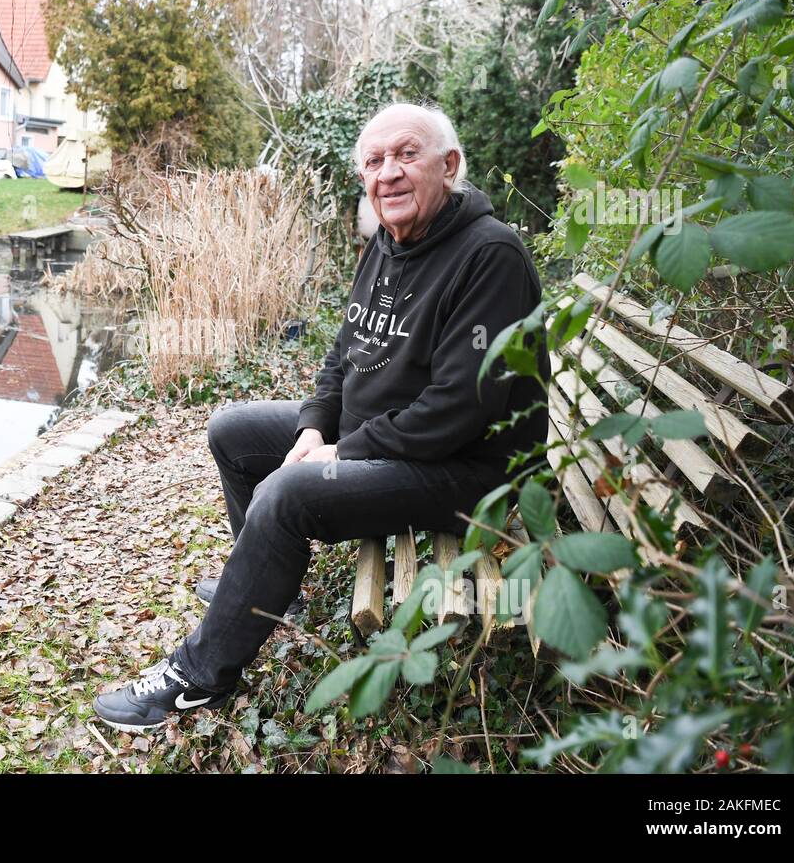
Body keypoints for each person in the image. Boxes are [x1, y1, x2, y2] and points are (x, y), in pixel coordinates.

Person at [92, 102, 548, 731]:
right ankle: (266, 591)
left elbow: (461, 409)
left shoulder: (490, 255)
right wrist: (313, 426)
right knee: (233, 431)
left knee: (288, 491)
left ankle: (200, 675)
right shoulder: (387, 244)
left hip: (466, 470)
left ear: (451, 165)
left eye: (406, 154)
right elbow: (344, 353)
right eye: (374, 161)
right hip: (390, 438)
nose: (387, 172)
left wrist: (340, 453)